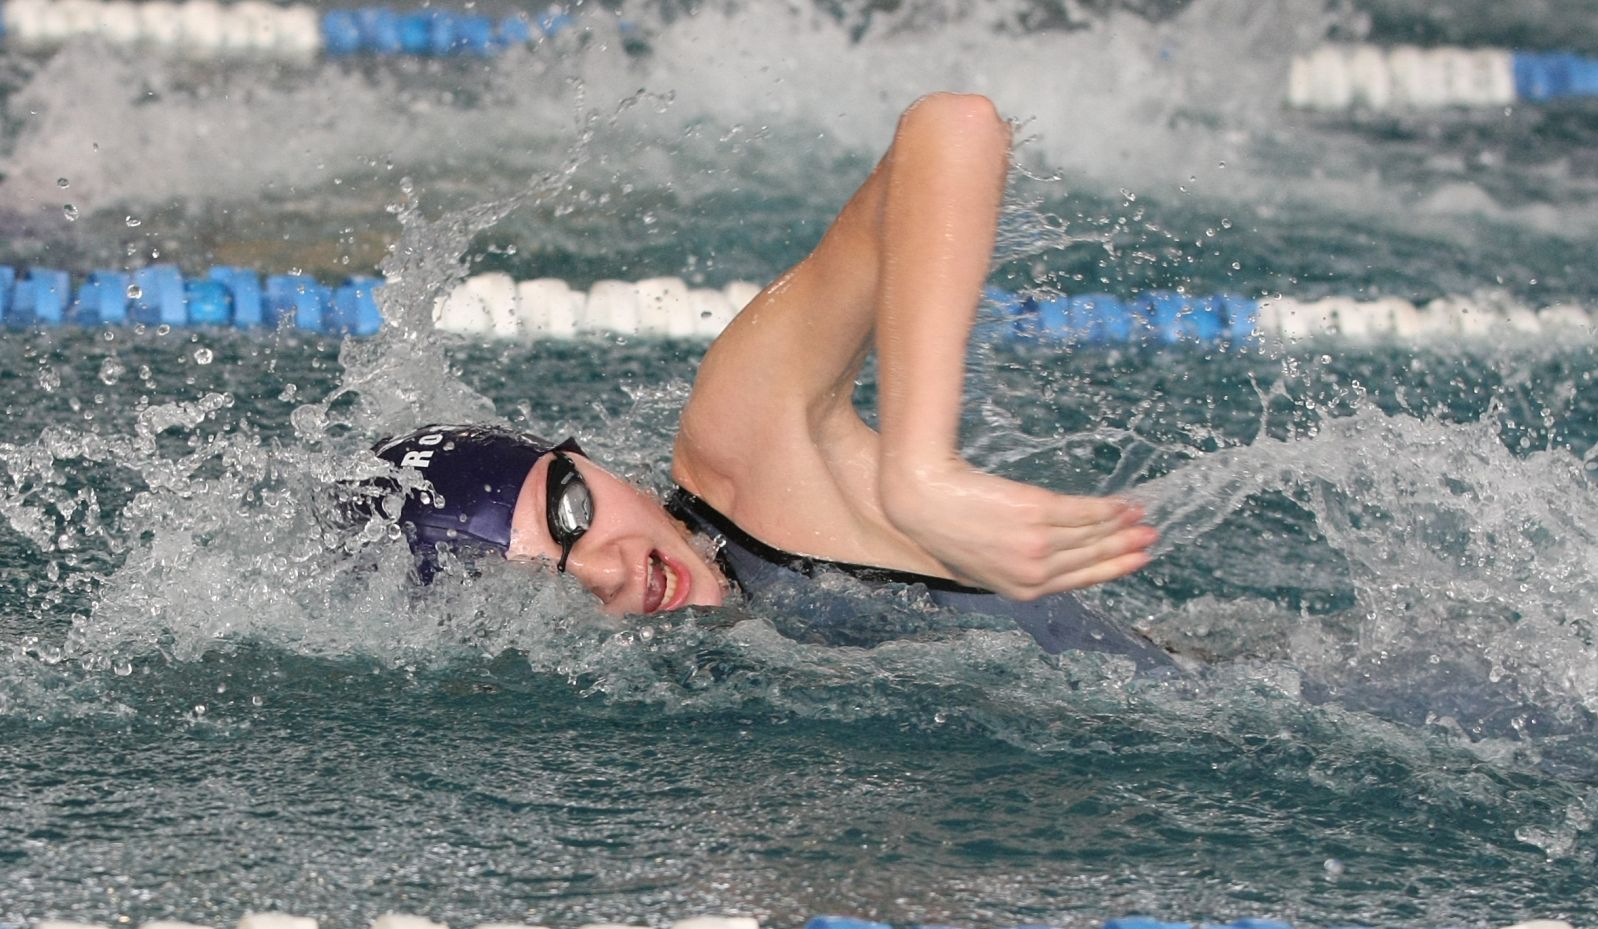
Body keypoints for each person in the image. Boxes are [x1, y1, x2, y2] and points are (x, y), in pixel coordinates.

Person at [370, 93, 1175, 673]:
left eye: (569, 512)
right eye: (535, 589)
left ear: (590, 462)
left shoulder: (745, 456)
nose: (604, 571)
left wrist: (921, 476)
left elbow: (954, 126)